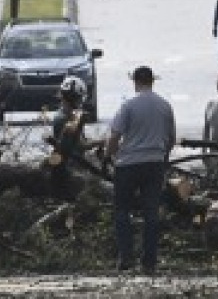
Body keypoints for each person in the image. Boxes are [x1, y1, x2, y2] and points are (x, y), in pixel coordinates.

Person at [106, 66, 175, 274]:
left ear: (135, 81)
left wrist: (110, 156)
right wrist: (163, 156)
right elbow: (171, 139)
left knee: (122, 210)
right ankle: (149, 261)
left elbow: (115, 136)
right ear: (152, 81)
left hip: (128, 163)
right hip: (154, 163)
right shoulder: (165, 106)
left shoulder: (128, 105)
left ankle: (126, 256)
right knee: (151, 212)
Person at [47, 78, 93, 194]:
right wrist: (102, 141)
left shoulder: (67, 115)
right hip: (69, 168)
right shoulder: (66, 119)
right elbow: (80, 146)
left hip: (69, 163)